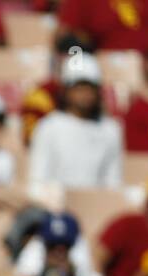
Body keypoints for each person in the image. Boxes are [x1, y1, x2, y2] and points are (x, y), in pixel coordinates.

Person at [28, 54, 124, 189]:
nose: (85, 93)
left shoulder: (110, 129)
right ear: (66, 91)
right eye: (79, 87)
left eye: (90, 87)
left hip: (96, 204)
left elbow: (112, 180)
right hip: (55, 206)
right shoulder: (49, 126)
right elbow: (38, 178)